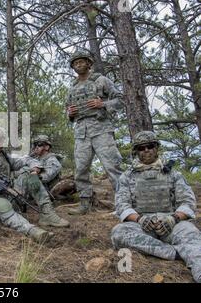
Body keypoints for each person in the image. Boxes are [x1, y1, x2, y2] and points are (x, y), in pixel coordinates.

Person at [111, 131, 200, 283]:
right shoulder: (127, 177)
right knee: (118, 234)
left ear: (156, 148)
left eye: (150, 146)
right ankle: (175, 253)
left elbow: (188, 202)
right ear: (136, 151)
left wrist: (173, 219)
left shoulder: (173, 174)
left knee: (192, 236)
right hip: (142, 224)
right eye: (141, 148)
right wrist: (140, 219)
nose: (146, 150)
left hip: (172, 223)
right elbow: (122, 205)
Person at [0, 127, 70, 244]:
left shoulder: (6, 158)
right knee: (2, 205)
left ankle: (47, 214)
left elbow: (27, 160)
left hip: (10, 194)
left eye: (1, 139)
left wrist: (35, 171)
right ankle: (32, 231)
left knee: (29, 175)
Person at [65, 50, 123, 215]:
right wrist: (70, 114)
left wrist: (102, 104)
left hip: (101, 129)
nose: (78, 65)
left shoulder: (101, 81)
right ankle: (85, 204)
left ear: (89, 63)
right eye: (75, 63)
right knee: (81, 169)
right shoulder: (72, 87)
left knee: (112, 166)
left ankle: (124, 204)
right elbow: (67, 109)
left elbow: (120, 99)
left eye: (81, 62)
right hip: (81, 132)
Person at [15, 135, 75, 200]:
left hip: (46, 190)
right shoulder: (35, 159)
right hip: (35, 186)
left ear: (47, 147)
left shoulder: (52, 160)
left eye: (39, 144)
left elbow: (46, 177)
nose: (36, 147)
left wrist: (32, 173)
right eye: (35, 145)